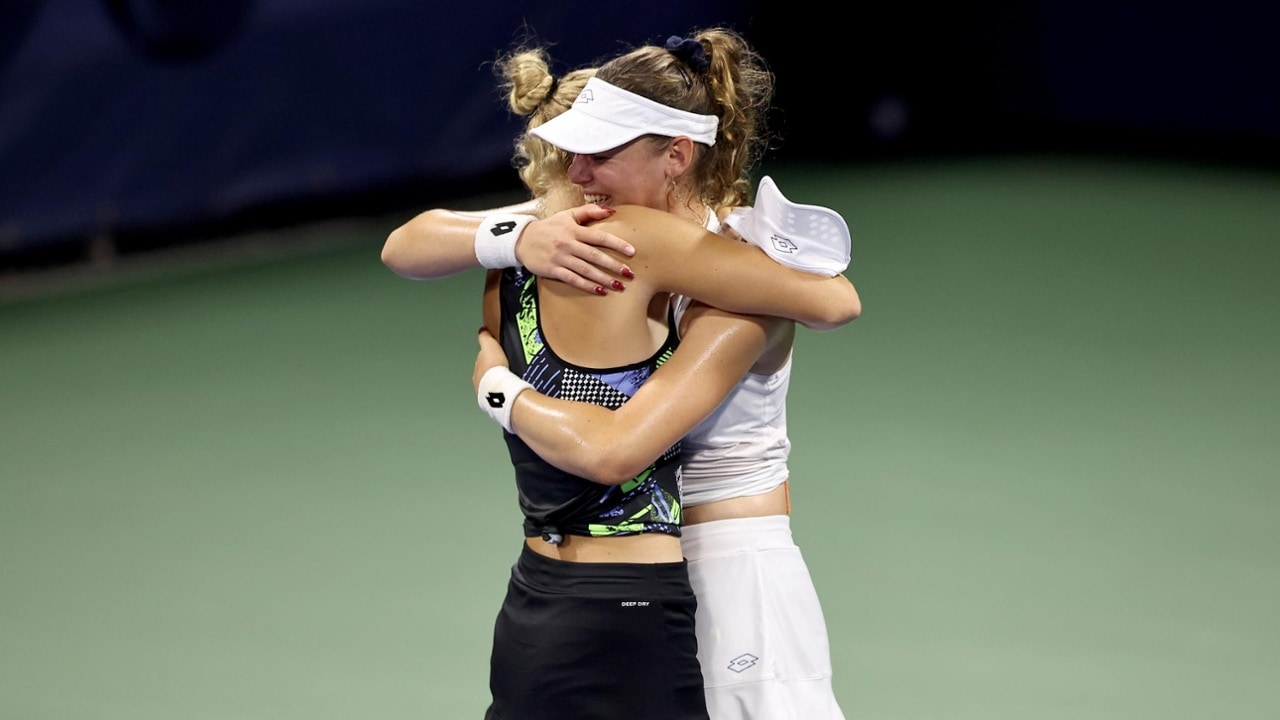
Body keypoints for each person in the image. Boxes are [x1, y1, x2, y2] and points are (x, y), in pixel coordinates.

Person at [382, 31, 859, 720]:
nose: (577, 174)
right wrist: (517, 235)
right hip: (640, 571)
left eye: (601, 156)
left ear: (676, 156)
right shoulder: (581, 236)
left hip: (733, 573)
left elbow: (837, 301)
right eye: (574, 153)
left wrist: (499, 387)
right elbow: (408, 245)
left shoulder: (740, 275)